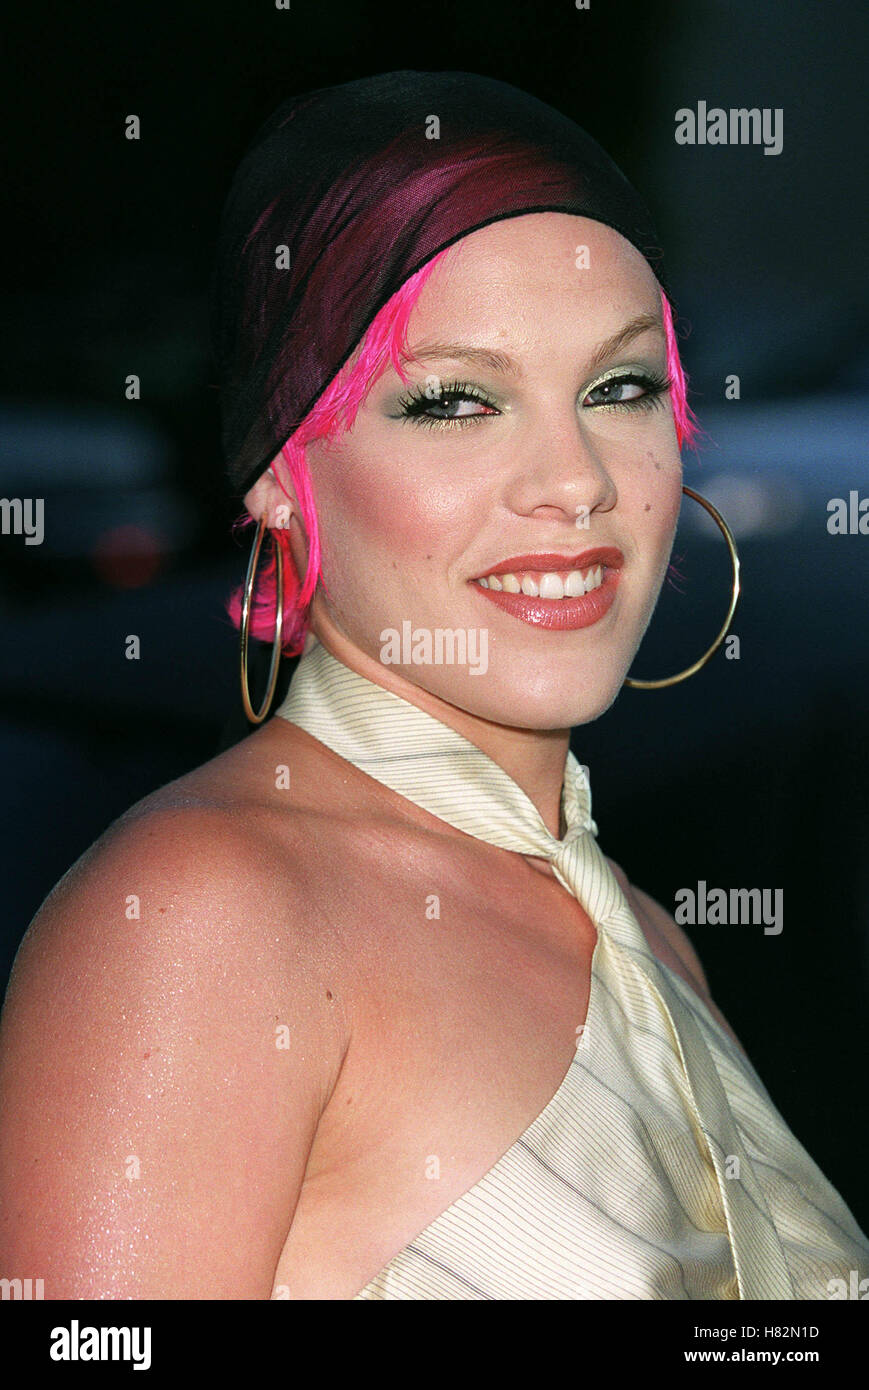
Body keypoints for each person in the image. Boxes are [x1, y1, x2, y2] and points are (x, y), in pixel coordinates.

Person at [1, 70, 867, 1301]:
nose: (573, 481)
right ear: (280, 477)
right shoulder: (203, 922)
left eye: (617, 388)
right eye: (455, 400)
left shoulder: (649, 939)